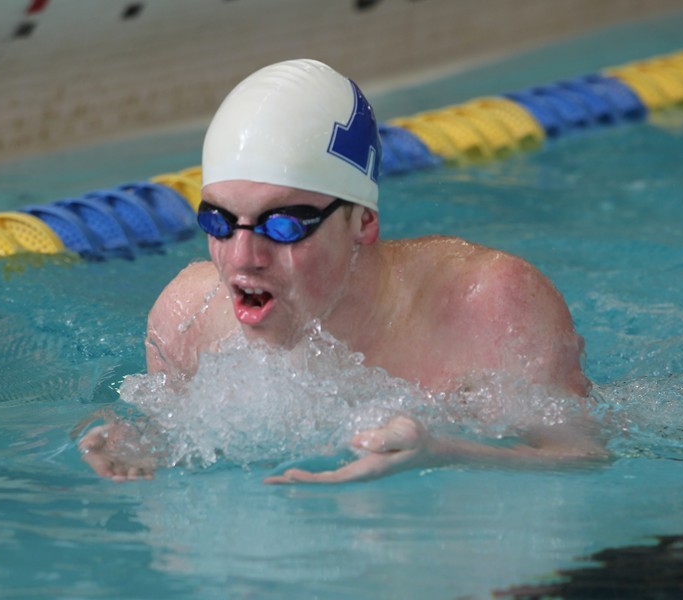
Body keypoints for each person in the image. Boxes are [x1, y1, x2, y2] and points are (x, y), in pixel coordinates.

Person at [79, 59, 602, 484]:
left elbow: (584, 460)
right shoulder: (185, 317)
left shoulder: (491, 304)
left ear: (363, 221)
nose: (241, 257)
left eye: (283, 224)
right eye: (217, 219)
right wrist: (136, 444)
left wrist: (445, 452)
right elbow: (164, 439)